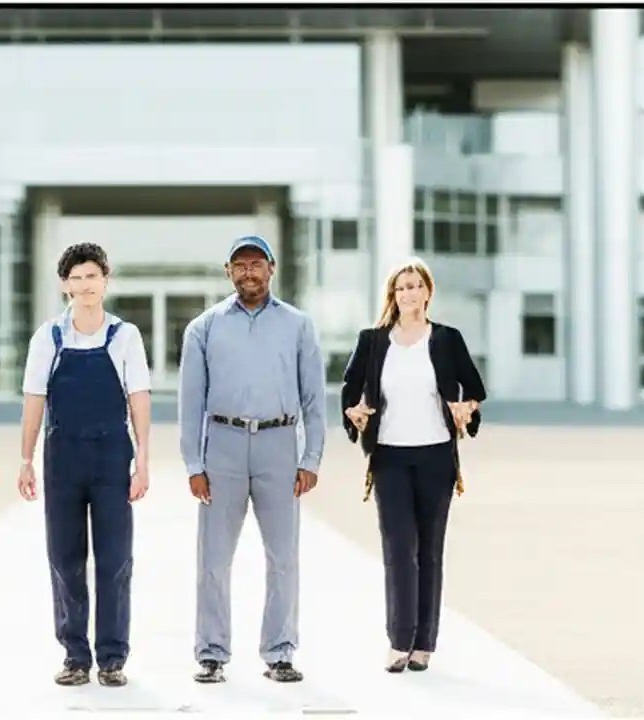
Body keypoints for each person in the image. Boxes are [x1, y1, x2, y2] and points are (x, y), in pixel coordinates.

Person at [177, 234, 326, 685]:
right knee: (213, 559)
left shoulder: (299, 326)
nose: (248, 272)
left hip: (279, 446)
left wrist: (311, 457)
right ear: (228, 272)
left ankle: (280, 651)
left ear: (271, 268)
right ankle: (211, 653)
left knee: (283, 556)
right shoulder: (204, 328)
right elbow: (190, 401)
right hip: (221, 445)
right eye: (239, 265)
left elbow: (314, 397)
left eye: (256, 263)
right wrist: (193, 465)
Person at [339, 256, 486, 674]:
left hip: (436, 455)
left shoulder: (446, 339)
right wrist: (355, 413)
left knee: (430, 550)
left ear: (427, 292)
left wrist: (465, 410)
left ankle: (424, 643)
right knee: (399, 549)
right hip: (389, 457)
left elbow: (475, 390)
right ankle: (399, 641)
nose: (409, 293)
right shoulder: (372, 341)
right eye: (401, 287)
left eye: (415, 285)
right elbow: (350, 393)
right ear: (393, 295)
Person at [17, 242, 153, 688]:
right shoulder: (48, 338)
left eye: (91, 276)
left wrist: (144, 462)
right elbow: (34, 401)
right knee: (64, 557)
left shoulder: (125, 336)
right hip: (63, 458)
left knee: (114, 559)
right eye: (75, 278)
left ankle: (112, 657)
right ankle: (75, 655)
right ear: (64, 286)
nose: (84, 285)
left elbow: (138, 400)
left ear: (105, 280)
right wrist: (25, 459)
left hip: (113, 455)